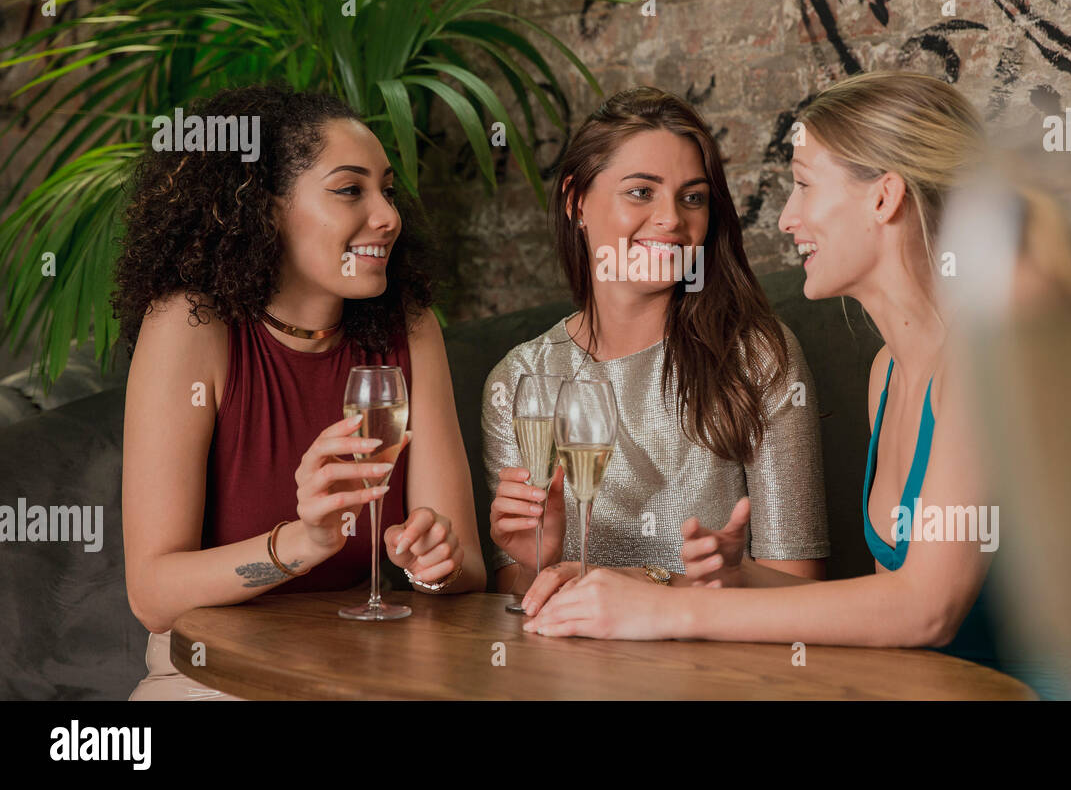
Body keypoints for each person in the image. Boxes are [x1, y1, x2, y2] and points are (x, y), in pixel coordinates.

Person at [521, 71, 1018, 666]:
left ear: (883, 197)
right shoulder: (888, 373)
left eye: (804, 187)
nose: (786, 219)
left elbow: (927, 610)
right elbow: (878, 605)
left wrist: (664, 611)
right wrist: (743, 578)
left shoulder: (987, 359)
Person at [117, 85, 485, 700]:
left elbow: (468, 571)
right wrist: (304, 541)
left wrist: (434, 565)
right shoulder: (191, 326)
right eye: (350, 190)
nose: (389, 216)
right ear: (263, 208)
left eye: (387, 190)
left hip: (370, 669)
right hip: (218, 673)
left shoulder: (410, 330)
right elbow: (152, 596)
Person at [483, 87, 829, 600]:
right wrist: (539, 562)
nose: (671, 219)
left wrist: (645, 583)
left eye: (692, 197)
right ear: (577, 201)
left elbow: (799, 587)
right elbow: (521, 591)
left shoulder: (757, 356)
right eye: (641, 192)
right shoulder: (519, 381)